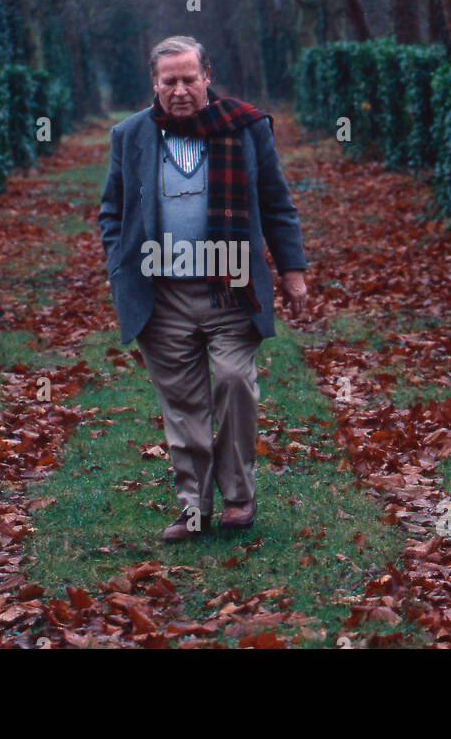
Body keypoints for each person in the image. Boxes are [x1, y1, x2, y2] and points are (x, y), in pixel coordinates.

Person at [97, 34, 308, 545]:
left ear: (207, 76)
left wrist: (293, 272)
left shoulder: (246, 128)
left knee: (235, 381)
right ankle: (194, 508)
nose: (181, 89)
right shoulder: (131, 135)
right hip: (161, 292)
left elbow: (277, 205)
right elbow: (112, 210)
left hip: (231, 286)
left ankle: (239, 495)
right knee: (183, 404)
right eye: (169, 81)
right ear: (155, 83)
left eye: (189, 78)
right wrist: (119, 263)